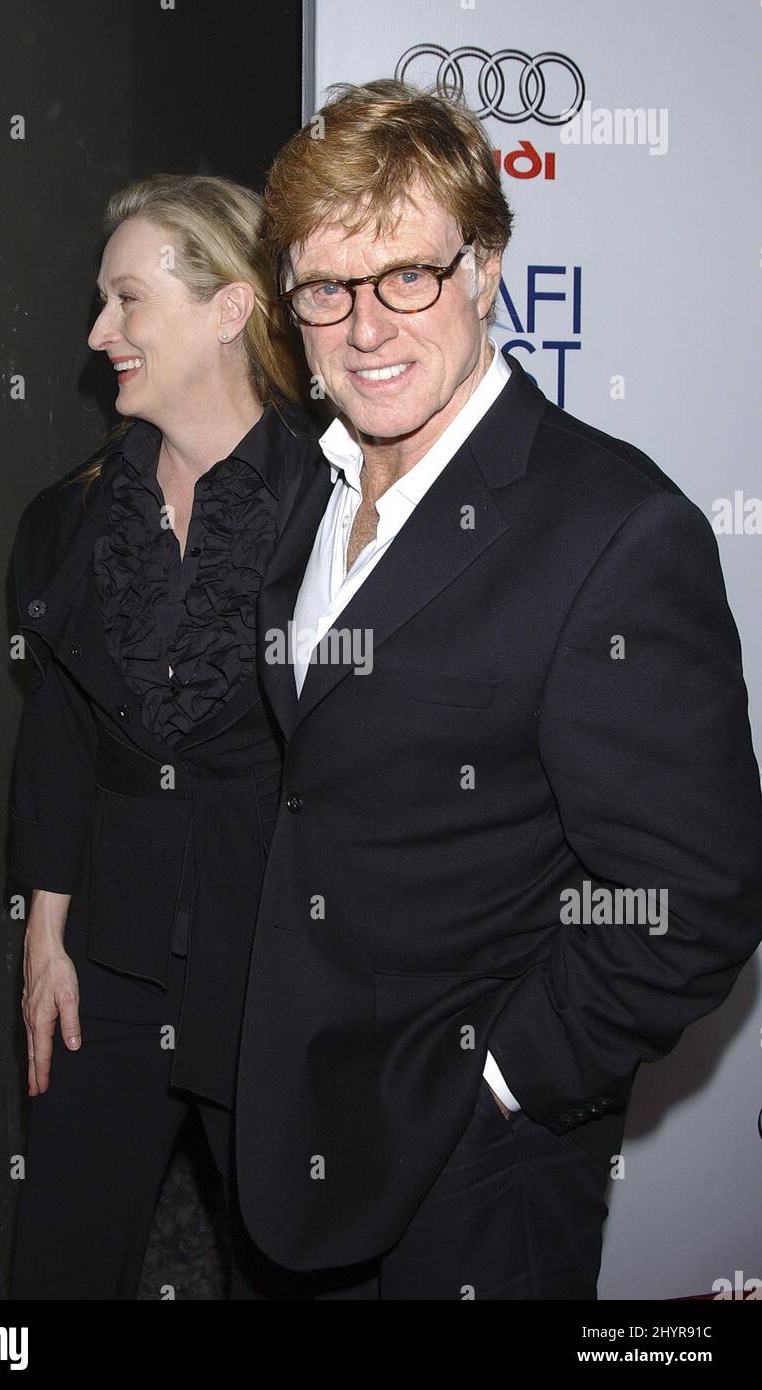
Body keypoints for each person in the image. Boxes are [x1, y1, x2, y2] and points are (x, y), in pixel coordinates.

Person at [232, 79, 762, 1298]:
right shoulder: (310, 486)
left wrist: (503, 1079)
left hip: (471, 1173)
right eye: (328, 289)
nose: (367, 328)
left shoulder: (614, 529)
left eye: (407, 274)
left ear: (486, 266)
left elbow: (697, 893)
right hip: (298, 1107)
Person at [7, 173, 320, 1299]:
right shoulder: (69, 521)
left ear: (230, 308)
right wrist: (46, 939)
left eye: (127, 300)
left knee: (294, 1261)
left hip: (278, 953)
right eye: (103, 302)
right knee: (59, 1264)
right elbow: (60, 738)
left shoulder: (342, 511)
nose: (100, 335)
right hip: (114, 955)